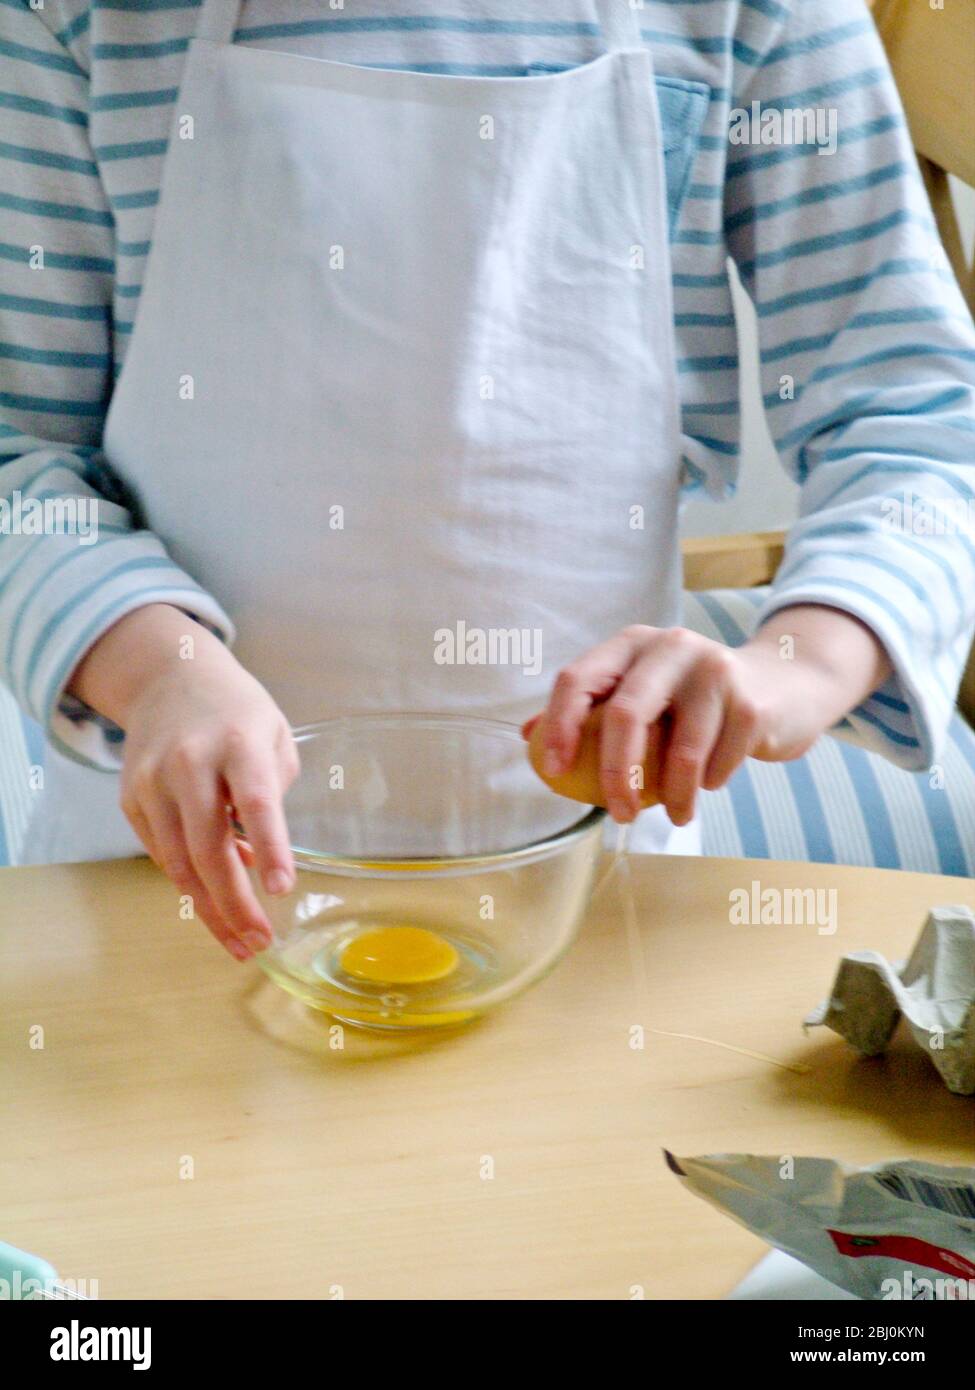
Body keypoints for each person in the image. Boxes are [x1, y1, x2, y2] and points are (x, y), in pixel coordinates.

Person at [1, 1, 972, 963]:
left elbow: (921, 422)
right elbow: (19, 458)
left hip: (592, 897)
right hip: (168, 881)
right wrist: (157, 670)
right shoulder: (70, 18)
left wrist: (798, 664)